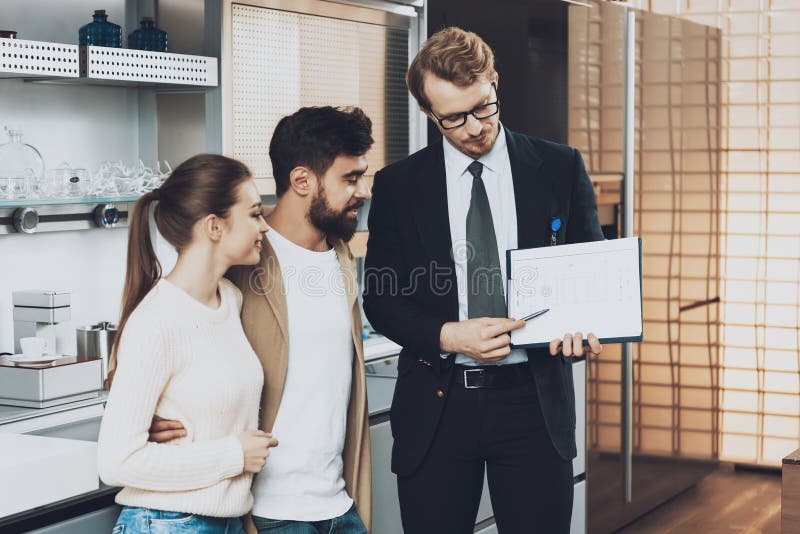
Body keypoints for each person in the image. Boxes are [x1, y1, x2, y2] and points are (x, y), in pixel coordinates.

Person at [363, 27, 605, 534]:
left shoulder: (560, 167)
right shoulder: (399, 185)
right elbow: (382, 301)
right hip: (437, 403)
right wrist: (450, 335)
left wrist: (584, 328)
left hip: (534, 403)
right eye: (454, 118)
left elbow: (590, 276)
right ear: (430, 114)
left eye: (485, 106)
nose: (475, 127)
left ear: (494, 83)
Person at [150, 106, 374, 534]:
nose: (362, 191)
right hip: (267, 514)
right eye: (350, 178)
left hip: (339, 509)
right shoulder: (239, 260)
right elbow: (157, 331)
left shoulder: (342, 256)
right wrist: (153, 413)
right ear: (302, 180)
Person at [98, 154, 276, 533]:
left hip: (221, 522)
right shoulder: (157, 322)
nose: (264, 226)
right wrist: (233, 455)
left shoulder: (230, 299)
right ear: (214, 226)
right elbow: (116, 462)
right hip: (165, 523)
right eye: (254, 214)